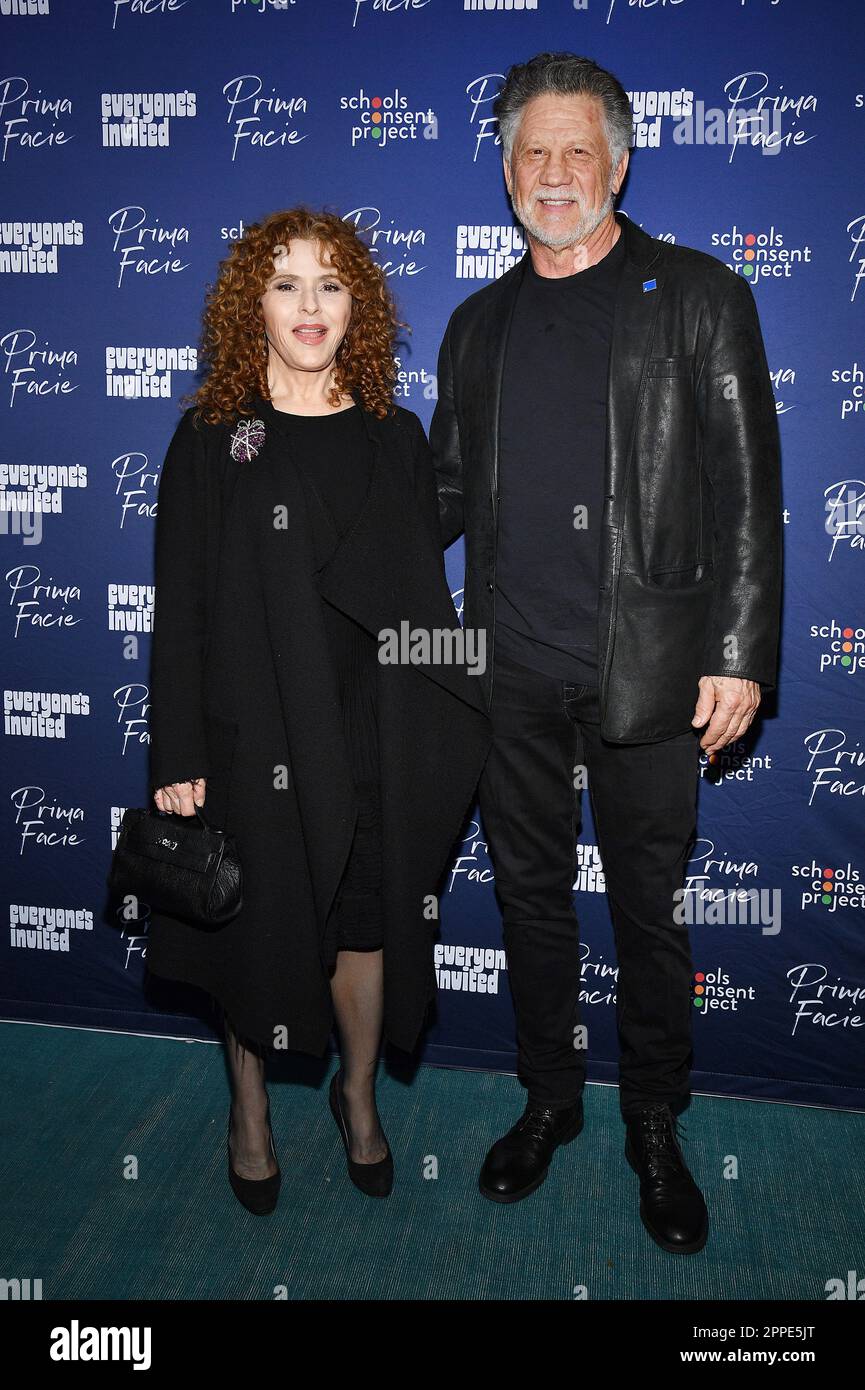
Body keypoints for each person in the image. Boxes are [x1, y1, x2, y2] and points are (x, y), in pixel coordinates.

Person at [429, 53, 782, 1253]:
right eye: (533, 151)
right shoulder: (476, 326)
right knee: (529, 900)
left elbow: (745, 492)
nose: (555, 172)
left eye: (579, 150)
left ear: (619, 164)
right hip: (508, 672)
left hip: (652, 672)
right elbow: (433, 495)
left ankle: (653, 1122)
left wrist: (737, 651)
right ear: (506, 172)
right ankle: (548, 1101)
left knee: (645, 910)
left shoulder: (697, 295)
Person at [146, 207, 490, 1212]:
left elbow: (419, 598)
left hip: (369, 727)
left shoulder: (396, 435)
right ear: (250, 301)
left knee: (366, 926)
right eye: (286, 282)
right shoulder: (215, 437)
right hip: (253, 731)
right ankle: (247, 1110)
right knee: (255, 930)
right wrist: (178, 746)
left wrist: (460, 702)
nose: (309, 305)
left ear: (361, 307)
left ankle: (356, 1090)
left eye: (331, 284)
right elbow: (184, 606)